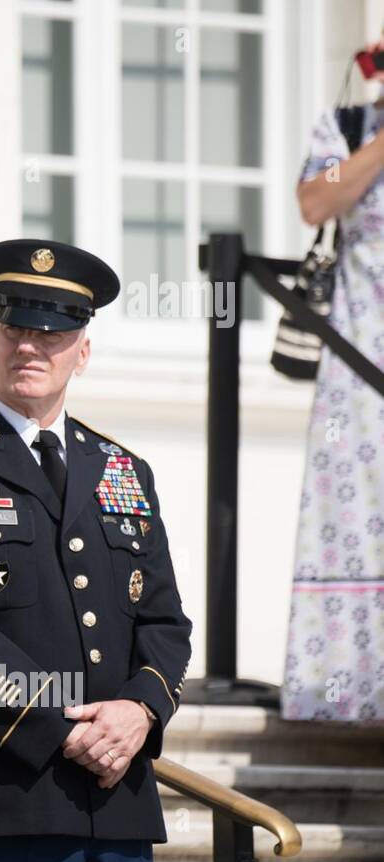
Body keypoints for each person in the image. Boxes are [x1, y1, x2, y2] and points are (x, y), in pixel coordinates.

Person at [0, 239, 193, 862]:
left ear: (82, 352)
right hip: (1, 797)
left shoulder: (124, 469)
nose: (31, 346)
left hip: (117, 798)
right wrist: (62, 725)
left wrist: (141, 709)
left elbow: (165, 621)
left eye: (52, 334)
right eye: (15, 327)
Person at [283, 61, 384, 723]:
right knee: (354, 519)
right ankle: (348, 689)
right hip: (361, 356)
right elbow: (315, 203)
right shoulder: (349, 126)